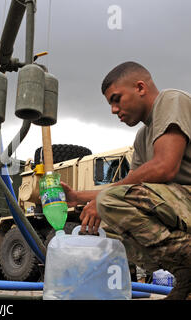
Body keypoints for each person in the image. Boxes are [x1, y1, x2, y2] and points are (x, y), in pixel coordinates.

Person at [62, 61, 191, 300]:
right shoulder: (143, 137)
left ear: (140, 87)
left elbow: (165, 167)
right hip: (181, 206)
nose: (113, 110)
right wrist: (78, 197)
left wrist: (101, 199)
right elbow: (132, 185)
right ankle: (185, 274)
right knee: (102, 229)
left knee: (109, 202)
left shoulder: (171, 100)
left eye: (116, 99)